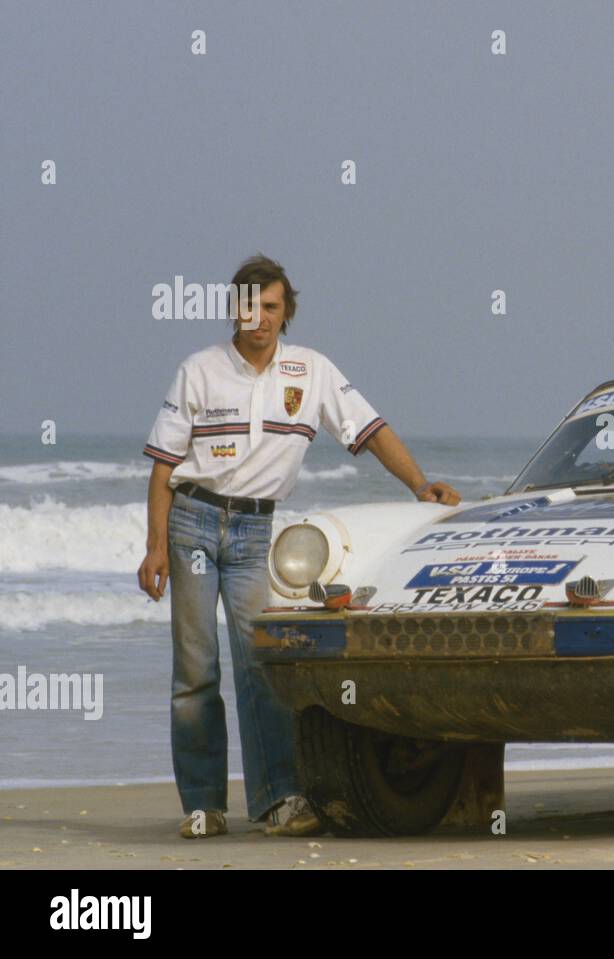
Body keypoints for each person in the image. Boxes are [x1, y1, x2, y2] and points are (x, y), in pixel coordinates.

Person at [136, 254, 461, 838]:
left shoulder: (312, 372)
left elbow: (371, 431)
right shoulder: (199, 370)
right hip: (192, 522)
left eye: (270, 306)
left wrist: (420, 484)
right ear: (231, 310)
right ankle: (204, 805)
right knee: (195, 668)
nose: (257, 317)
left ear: (286, 313)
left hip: (257, 531)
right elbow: (163, 470)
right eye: (248, 305)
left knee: (261, 666)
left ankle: (278, 800)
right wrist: (155, 546)